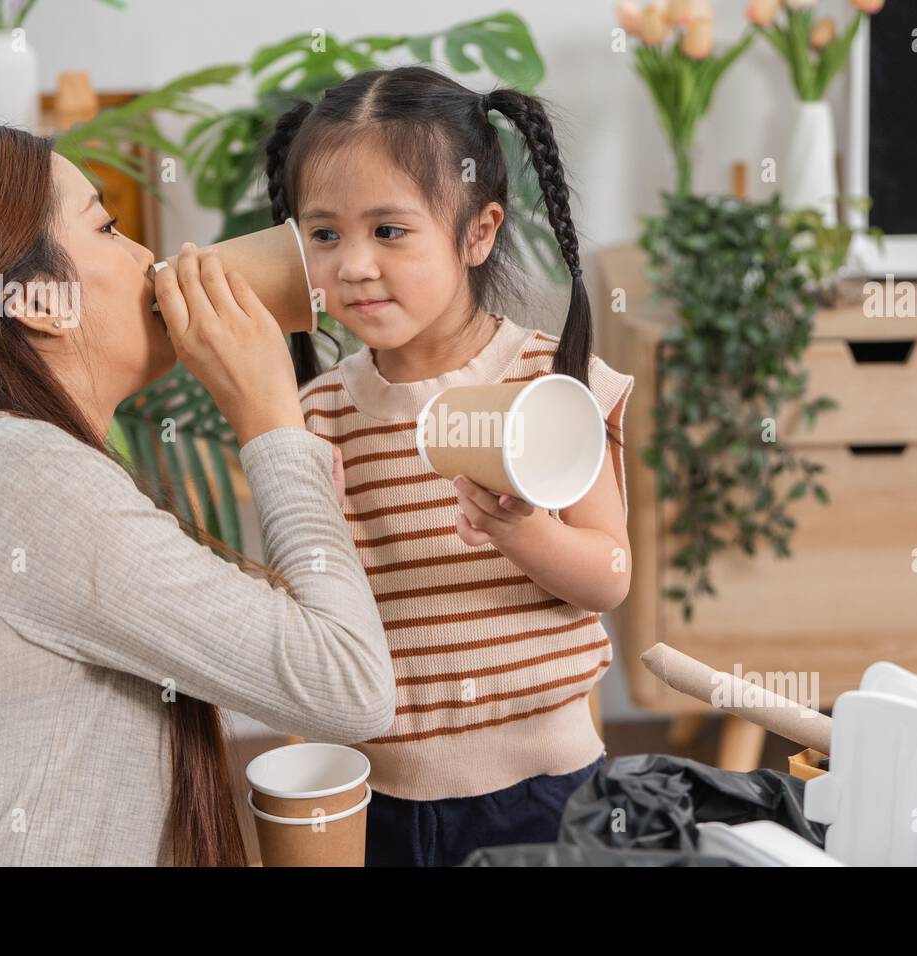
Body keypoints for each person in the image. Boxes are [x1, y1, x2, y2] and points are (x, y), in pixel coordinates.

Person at [0, 124, 395, 866]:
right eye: (107, 226)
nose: (151, 260)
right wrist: (270, 419)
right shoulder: (13, 472)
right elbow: (348, 686)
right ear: (34, 299)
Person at [268, 66, 635, 866]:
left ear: (478, 232)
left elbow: (609, 573)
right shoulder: (319, 413)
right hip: (381, 796)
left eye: (389, 231)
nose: (354, 265)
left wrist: (524, 530)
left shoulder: (550, 384)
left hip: (543, 788)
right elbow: (313, 617)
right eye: (324, 235)